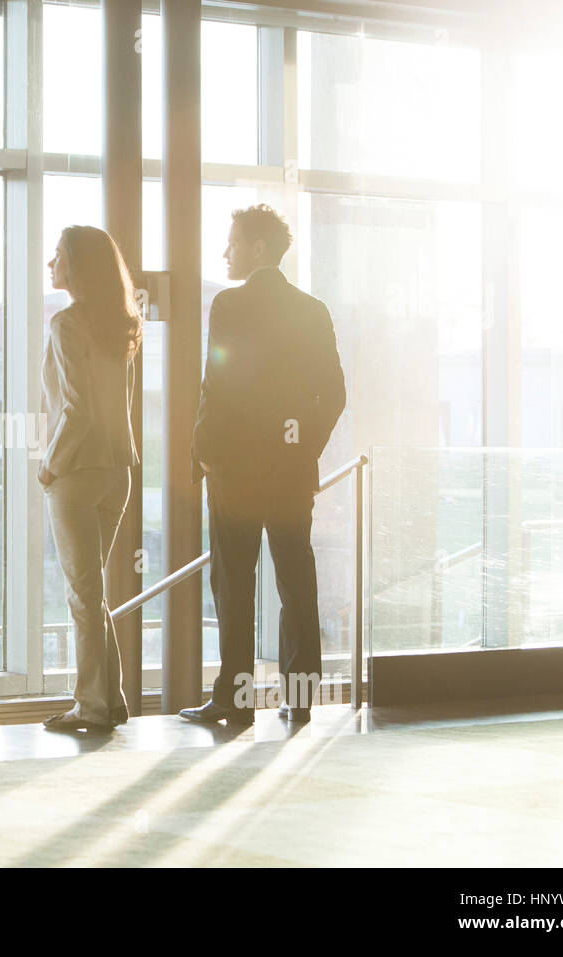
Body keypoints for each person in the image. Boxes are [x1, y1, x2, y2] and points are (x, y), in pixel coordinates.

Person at [181, 204, 346, 727]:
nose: (224, 252)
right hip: (291, 473)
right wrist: (304, 448)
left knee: (234, 583)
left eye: (231, 242)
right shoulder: (313, 310)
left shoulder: (230, 304)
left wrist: (205, 450)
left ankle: (235, 699)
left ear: (256, 248)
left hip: (236, 469)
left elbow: (218, 382)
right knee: (297, 580)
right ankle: (299, 697)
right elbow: (335, 394)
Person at [39, 226, 142, 733]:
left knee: (83, 594)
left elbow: (75, 411)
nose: (49, 263)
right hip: (117, 471)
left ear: (76, 266)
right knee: (92, 592)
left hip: (76, 473)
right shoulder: (120, 323)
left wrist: (49, 465)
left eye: (57, 256)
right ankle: (111, 699)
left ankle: (93, 707)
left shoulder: (65, 325)